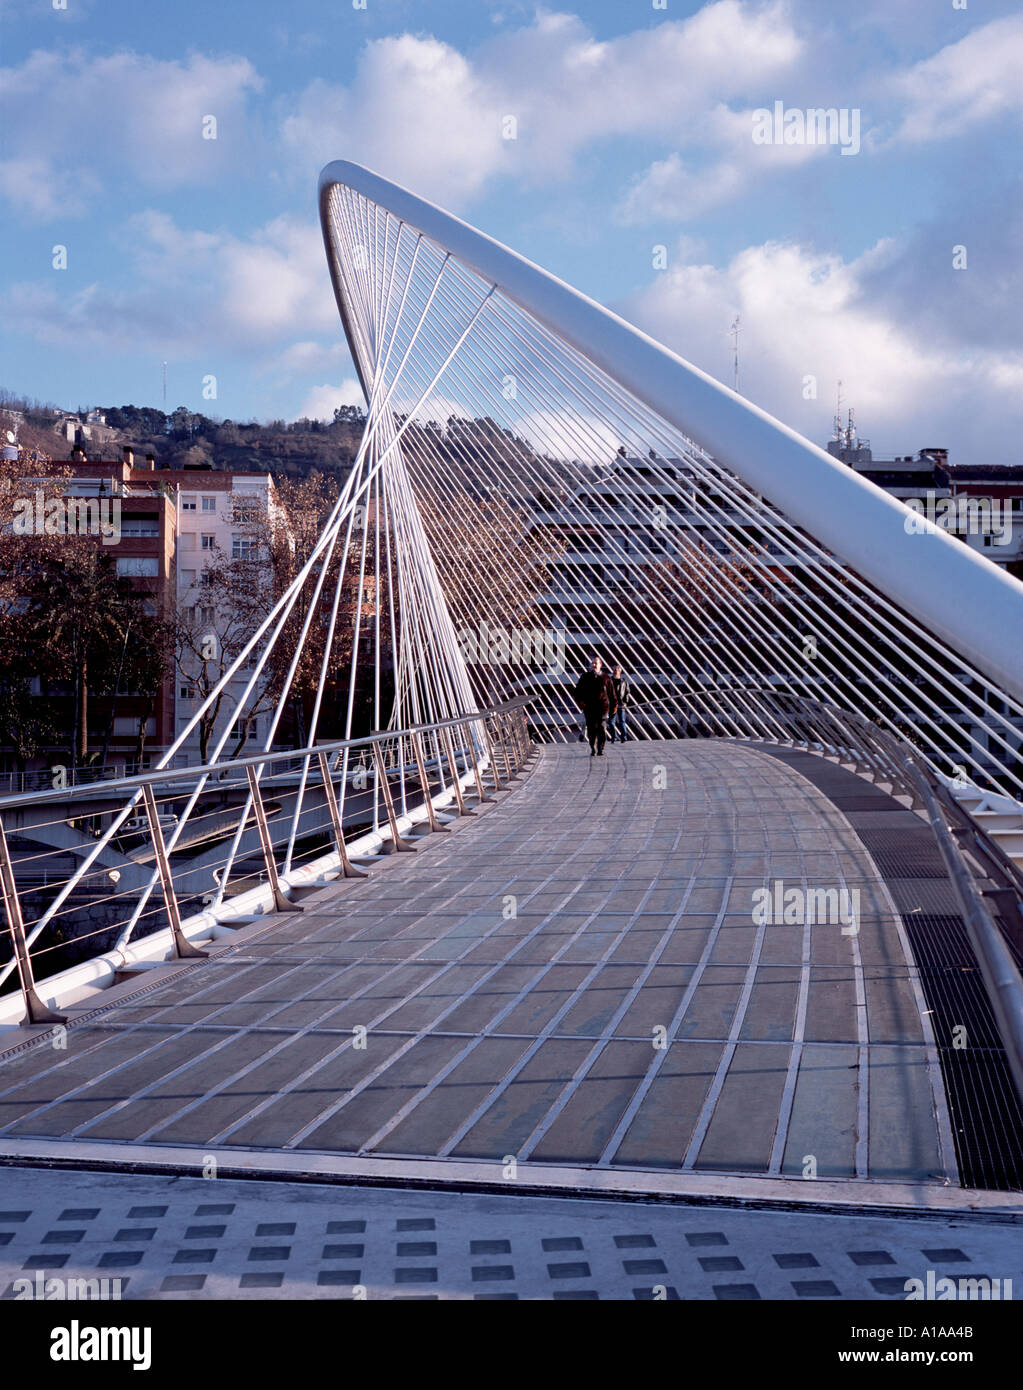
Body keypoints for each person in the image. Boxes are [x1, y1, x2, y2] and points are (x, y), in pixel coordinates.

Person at [574, 656, 615, 757]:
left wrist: (614, 707)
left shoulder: (606, 678)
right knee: (591, 729)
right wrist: (580, 703)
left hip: (603, 707)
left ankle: (601, 748)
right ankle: (593, 747)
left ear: (601, 665)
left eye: (596, 663)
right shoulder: (585, 677)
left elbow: (612, 694)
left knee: (601, 728)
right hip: (589, 708)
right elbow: (577, 691)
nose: (594, 665)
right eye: (592, 663)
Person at [607, 665, 629, 742]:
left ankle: (624, 736)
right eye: (614, 669)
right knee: (611, 722)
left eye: (617, 669)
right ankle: (614, 736)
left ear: (620, 671)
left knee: (622, 721)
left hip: (621, 704)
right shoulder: (609, 681)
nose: (616, 671)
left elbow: (627, 692)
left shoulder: (624, 681)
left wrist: (625, 701)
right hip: (612, 704)